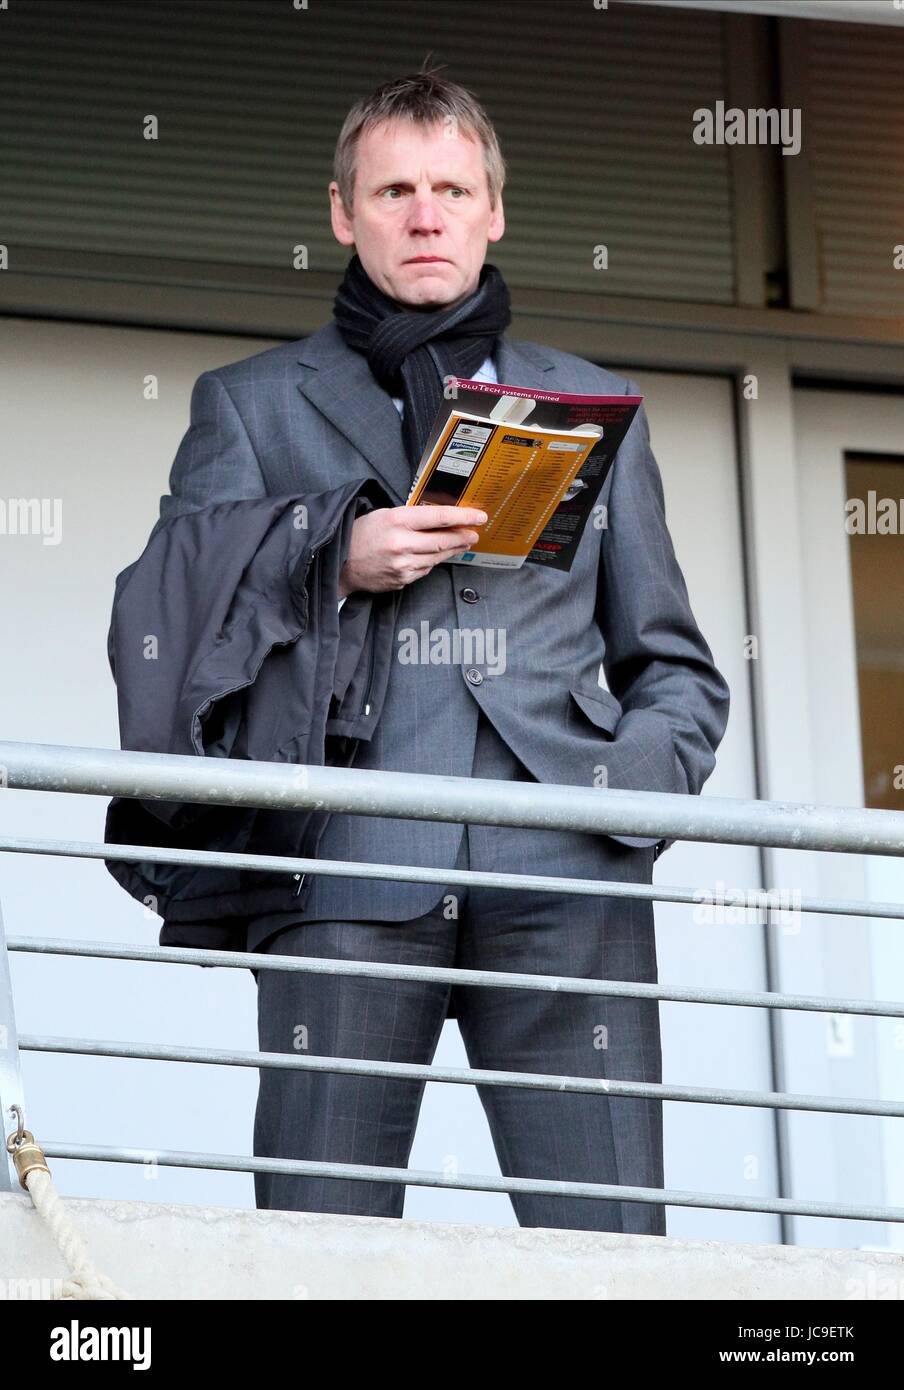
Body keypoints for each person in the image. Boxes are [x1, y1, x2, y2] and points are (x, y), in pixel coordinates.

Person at [158, 65, 730, 1233]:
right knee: (321, 1246)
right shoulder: (247, 405)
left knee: (611, 1255)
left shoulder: (594, 402)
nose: (426, 216)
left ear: (494, 211)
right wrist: (331, 555)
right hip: (350, 870)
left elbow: (672, 663)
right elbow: (179, 623)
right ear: (341, 211)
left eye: (452, 190)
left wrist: (626, 807)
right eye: (395, 191)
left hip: (567, 876)